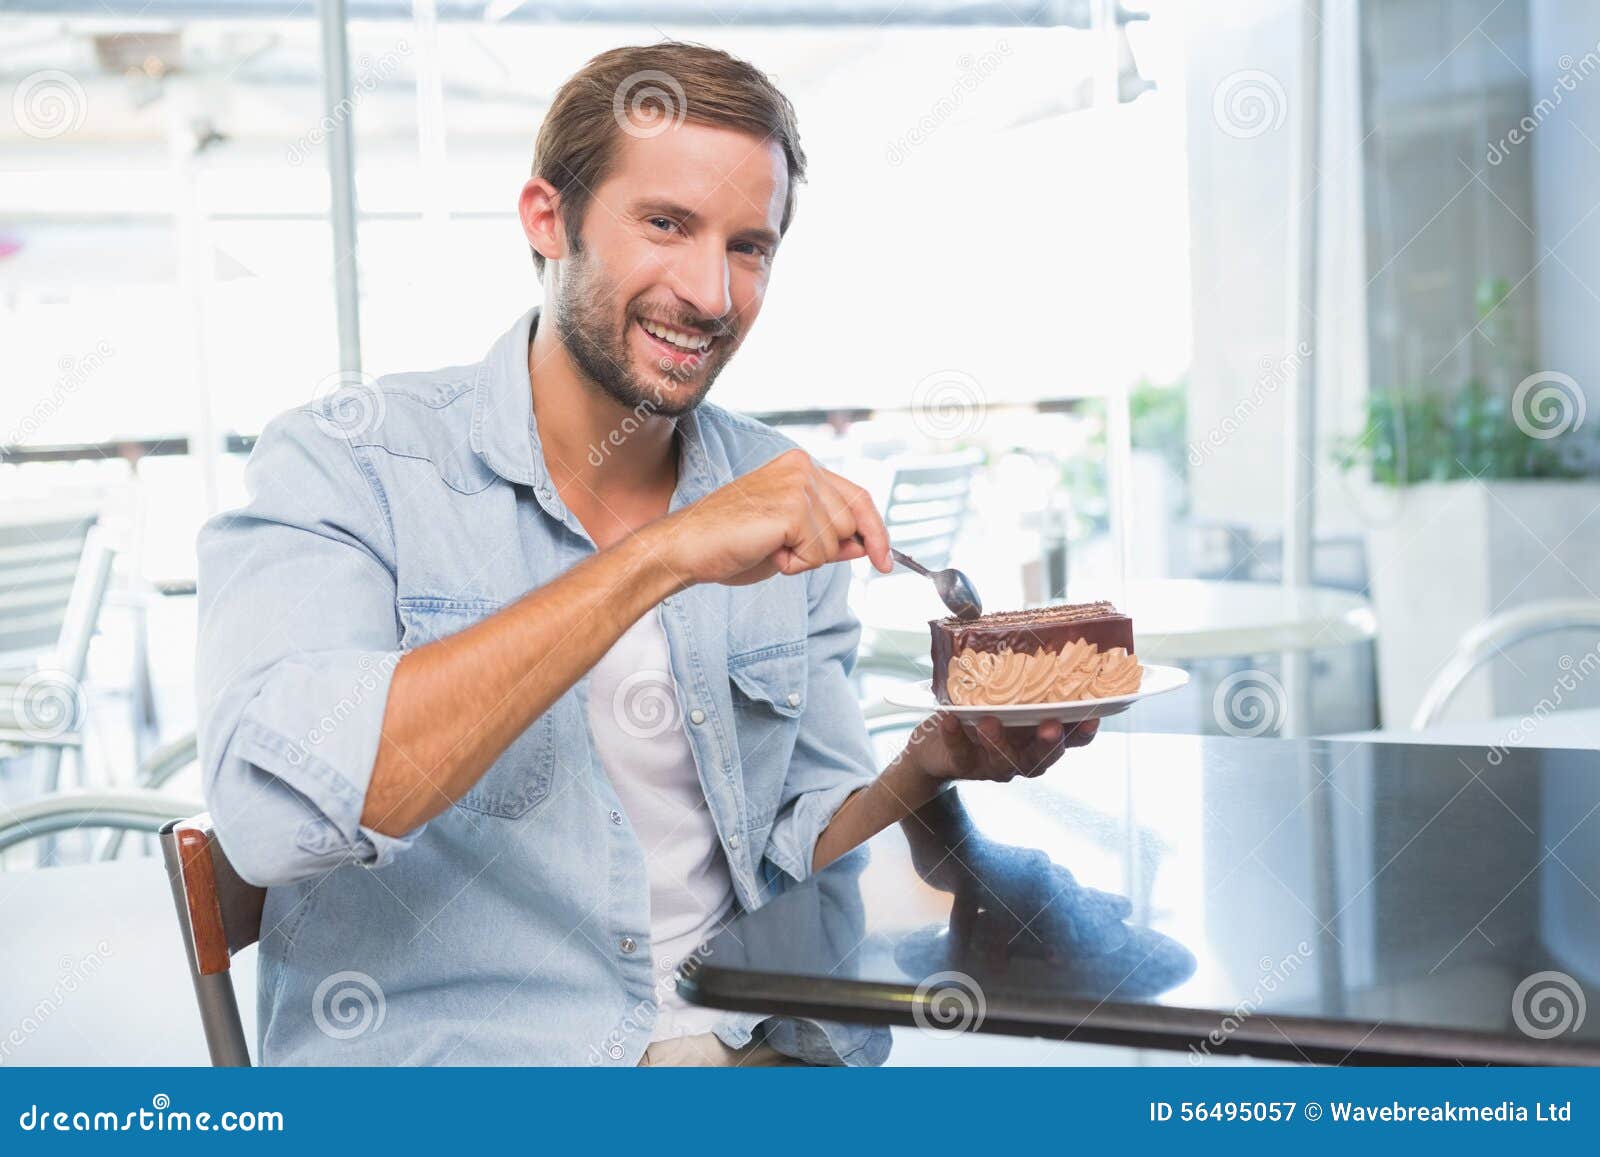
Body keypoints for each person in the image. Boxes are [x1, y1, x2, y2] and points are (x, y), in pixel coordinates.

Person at [195, 40, 1095, 1067]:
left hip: (763, 1048)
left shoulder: (772, 484)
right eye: (666, 223)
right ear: (548, 219)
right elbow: (275, 819)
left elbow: (798, 866)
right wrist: (657, 557)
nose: (711, 293)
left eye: (749, 246)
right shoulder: (351, 462)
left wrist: (931, 760)